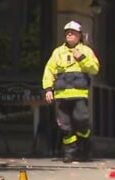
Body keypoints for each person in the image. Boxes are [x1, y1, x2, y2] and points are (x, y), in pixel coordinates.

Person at [42, 20, 100, 163]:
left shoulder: (86, 51)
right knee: (64, 126)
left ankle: (84, 148)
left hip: (79, 95)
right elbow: (49, 71)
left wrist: (81, 58)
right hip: (61, 96)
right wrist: (48, 89)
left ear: (79, 35)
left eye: (72, 33)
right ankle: (70, 153)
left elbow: (95, 69)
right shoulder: (58, 52)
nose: (69, 35)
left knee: (81, 121)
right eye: (67, 33)